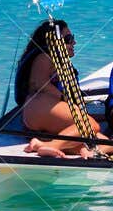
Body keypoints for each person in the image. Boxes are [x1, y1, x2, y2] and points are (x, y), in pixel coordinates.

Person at [14, 20, 100, 158]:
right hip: (38, 108)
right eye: (68, 39)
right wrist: (65, 99)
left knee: (98, 140)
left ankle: (40, 144)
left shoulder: (56, 59)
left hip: (46, 111)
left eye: (72, 38)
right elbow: (39, 83)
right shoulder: (45, 56)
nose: (74, 43)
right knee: (91, 125)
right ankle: (50, 146)